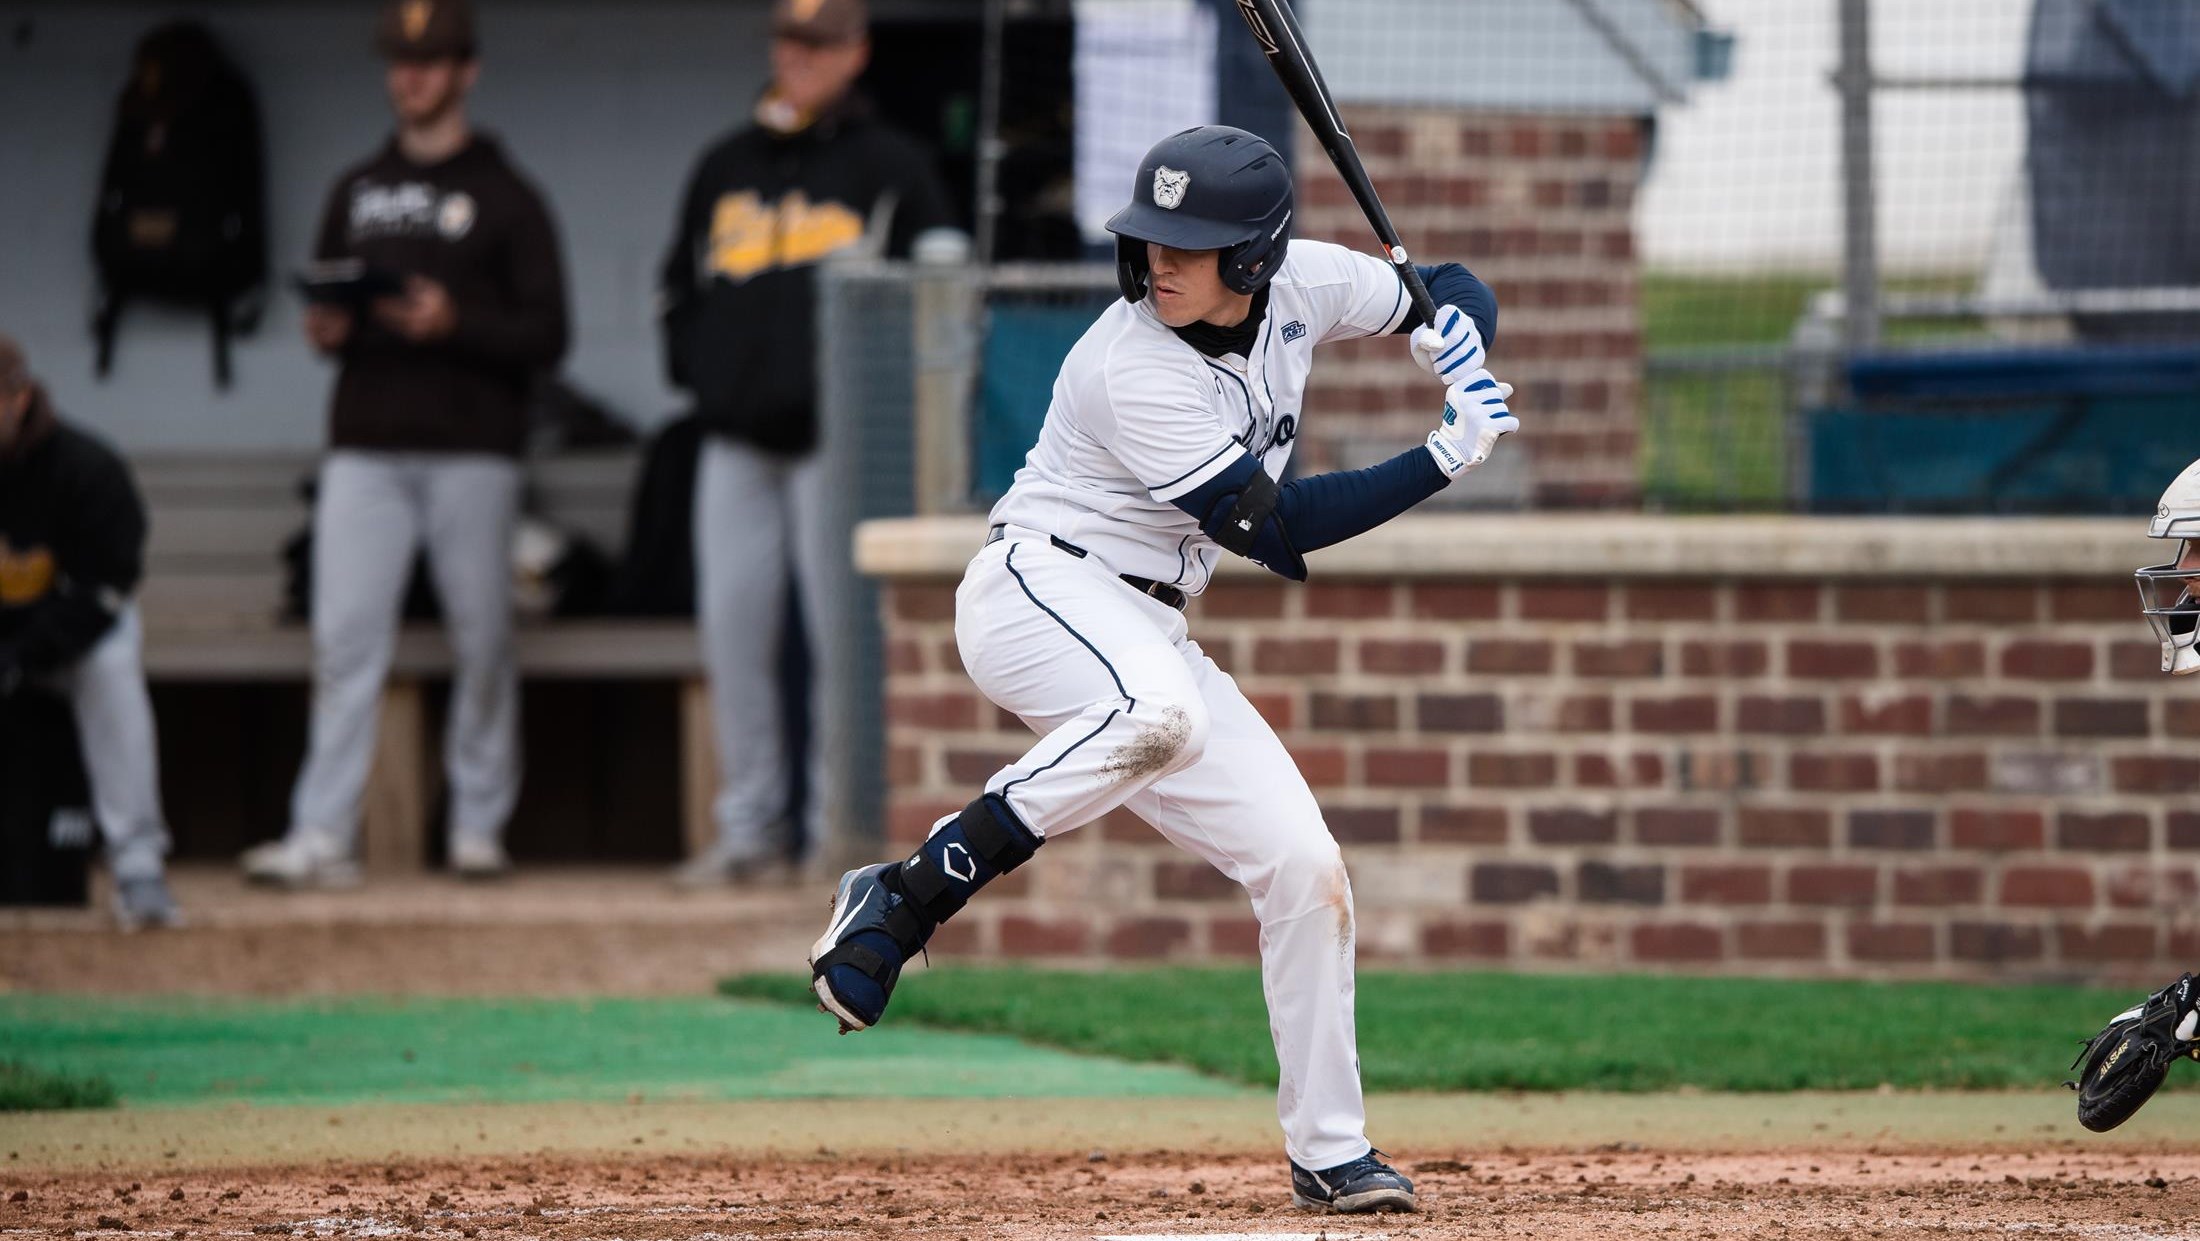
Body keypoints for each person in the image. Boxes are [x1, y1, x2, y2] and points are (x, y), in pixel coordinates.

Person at [805, 125, 1513, 1214]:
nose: (1162, 262)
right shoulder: (1130, 361)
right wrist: (1440, 453)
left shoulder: (1308, 283)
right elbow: (1274, 529)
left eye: (1195, 245)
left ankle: (1331, 1150)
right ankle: (905, 896)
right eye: (1151, 240)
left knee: (1302, 863)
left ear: (1256, 259)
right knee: (1162, 713)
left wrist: (1457, 322)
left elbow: (1445, 284)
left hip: (1150, 629)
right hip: (1039, 590)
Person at [243, 0, 568, 886]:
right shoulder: (356, 188)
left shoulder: (509, 195)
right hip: (365, 443)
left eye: (430, 62)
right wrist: (327, 326)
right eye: (399, 61)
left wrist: (453, 320)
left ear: (466, 70)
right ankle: (322, 834)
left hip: (474, 448)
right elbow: (324, 301)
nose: (410, 77)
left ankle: (476, 827)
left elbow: (549, 334)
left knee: (482, 638)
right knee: (345, 640)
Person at [659, 0, 964, 884]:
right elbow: (675, 289)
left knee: (845, 640)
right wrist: (706, 375)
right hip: (734, 438)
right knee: (734, 633)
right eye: (790, 40)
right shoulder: (725, 163)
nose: (800, 58)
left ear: (857, 52)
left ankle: (841, 831)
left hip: (841, 443)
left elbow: (937, 305)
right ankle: (748, 828)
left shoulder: (893, 166)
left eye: (820, 43)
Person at [0, 334, 180, 929]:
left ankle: (137, 866)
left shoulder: (86, 468)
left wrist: (23, 654)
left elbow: (108, 587)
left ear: (19, 398)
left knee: (113, 667)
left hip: (65, 641)